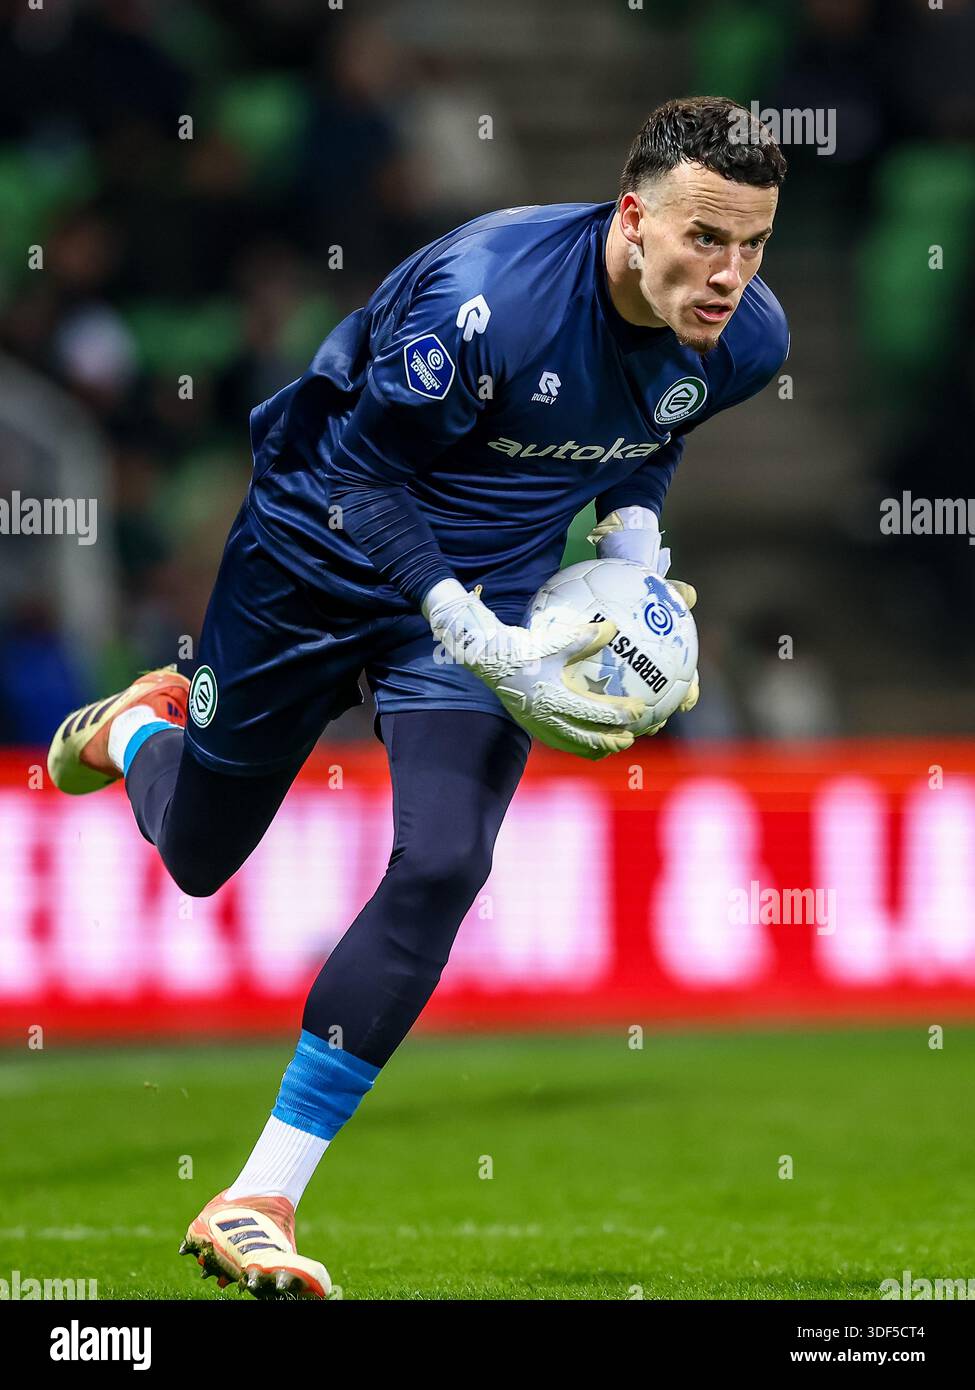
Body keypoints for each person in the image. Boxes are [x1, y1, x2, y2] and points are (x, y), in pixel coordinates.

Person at [47, 96, 788, 1299]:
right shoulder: (485, 297)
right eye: (706, 238)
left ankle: (258, 1196)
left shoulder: (744, 338)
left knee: (444, 862)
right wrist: (449, 614)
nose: (729, 275)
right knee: (195, 856)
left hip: (490, 601)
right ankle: (139, 725)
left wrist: (637, 546)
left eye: (753, 244)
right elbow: (358, 476)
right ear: (634, 212)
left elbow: (651, 429)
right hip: (309, 560)